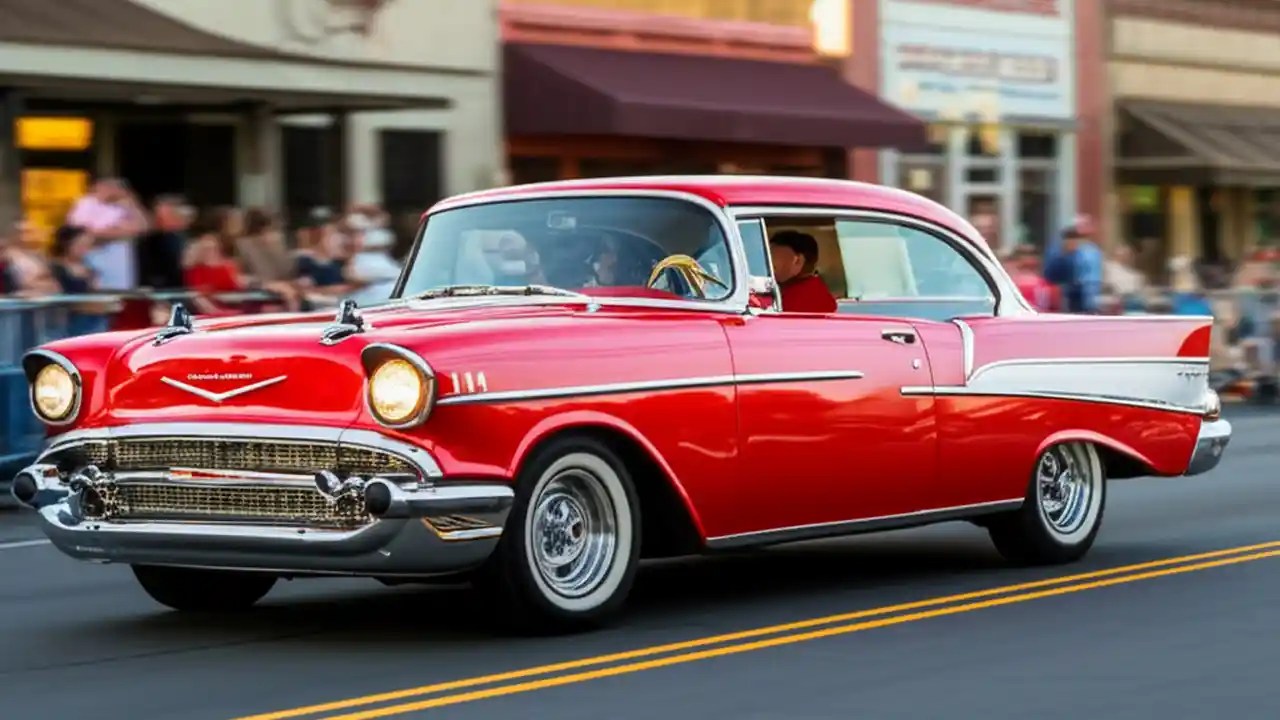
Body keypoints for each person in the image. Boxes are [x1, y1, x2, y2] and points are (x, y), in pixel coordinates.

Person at [768, 230, 837, 313]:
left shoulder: (802, 297)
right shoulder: (817, 290)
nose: (768, 263)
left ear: (797, 261)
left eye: (772, 255)